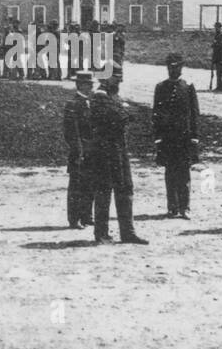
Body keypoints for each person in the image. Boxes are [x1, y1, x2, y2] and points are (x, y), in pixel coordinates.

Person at [84, 64, 148, 244]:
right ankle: (101, 233)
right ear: (104, 78)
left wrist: (123, 112)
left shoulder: (113, 97)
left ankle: (128, 232)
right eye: (116, 76)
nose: (120, 80)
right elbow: (117, 117)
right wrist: (124, 111)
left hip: (119, 150)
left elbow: (129, 114)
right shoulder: (98, 97)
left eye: (120, 76)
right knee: (104, 191)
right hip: (104, 151)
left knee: (125, 189)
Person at [152, 52, 200, 219]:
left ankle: (184, 207)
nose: (174, 71)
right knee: (170, 172)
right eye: (171, 68)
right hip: (168, 139)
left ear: (181, 68)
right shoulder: (160, 88)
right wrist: (158, 138)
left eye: (177, 67)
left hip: (184, 138)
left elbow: (194, 114)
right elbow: (156, 115)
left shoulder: (188, 87)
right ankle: (172, 207)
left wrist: (194, 137)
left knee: (184, 173)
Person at [63, 71, 96, 229]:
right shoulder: (73, 104)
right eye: (88, 84)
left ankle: (87, 215)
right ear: (79, 85)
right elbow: (71, 132)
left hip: (91, 151)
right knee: (76, 187)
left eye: (91, 84)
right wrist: (79, 151)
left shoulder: (91, 103)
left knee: (90, 185)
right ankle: (74, 218)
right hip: (79, 152)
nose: (91, 87)